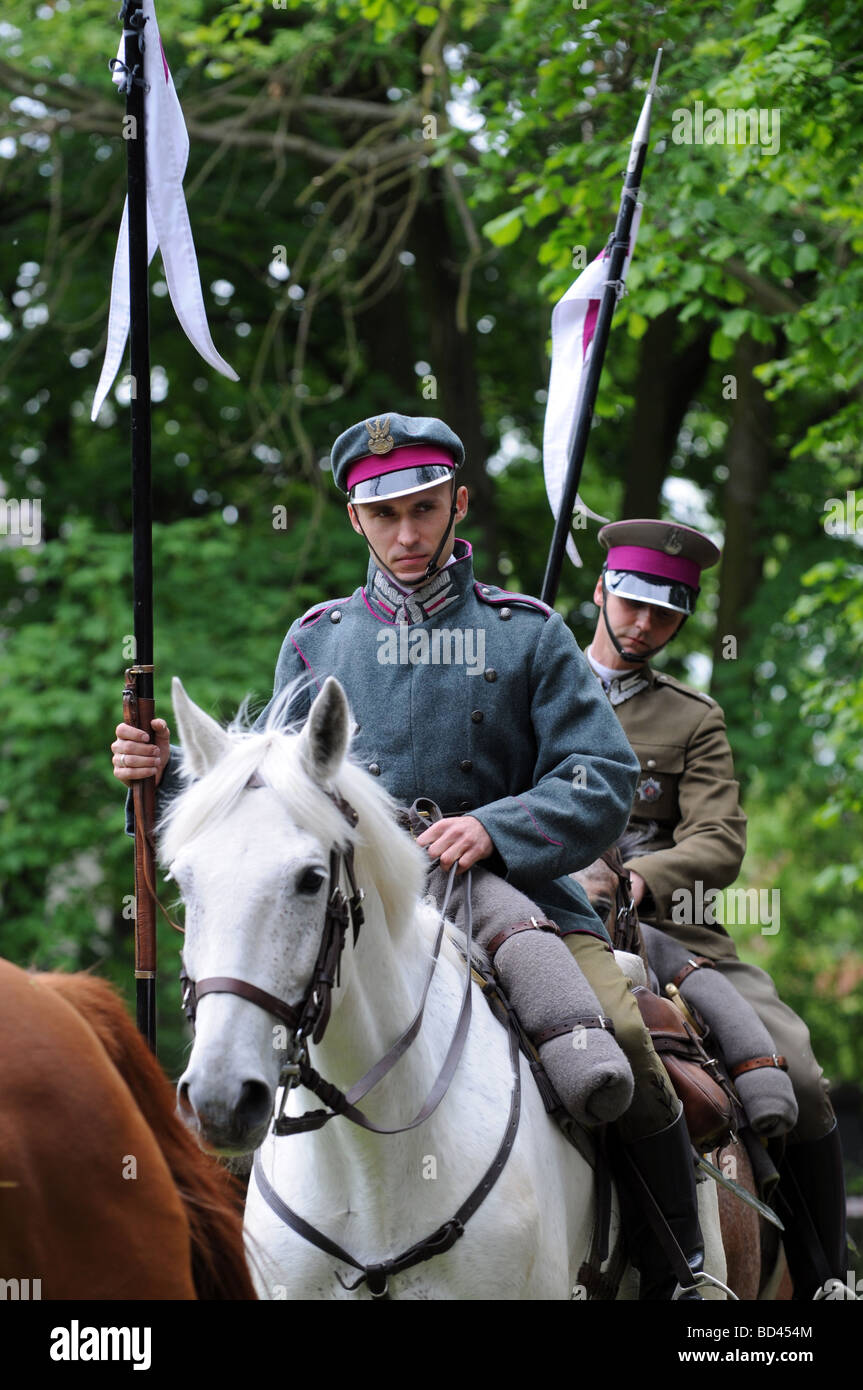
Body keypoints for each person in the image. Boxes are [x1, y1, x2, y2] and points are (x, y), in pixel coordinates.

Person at [111, 414, 706, 1298]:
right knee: (257, 1029)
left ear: (456, 504)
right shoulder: (316, 639)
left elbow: (602, 773)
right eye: (383, 515)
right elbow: (267, 806)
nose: (406, 534)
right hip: (355, 898)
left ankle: (682, 1273)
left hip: (507, 890)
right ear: (355, 518)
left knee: (618, 1043)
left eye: (424, 510)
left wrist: (498, 828)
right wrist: (157, 785)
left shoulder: (528, 633)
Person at [584, 516, 854, 1301]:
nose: (643, 625)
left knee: (798, 1075)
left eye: (665, 613)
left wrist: (638, 877)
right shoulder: (532, 686)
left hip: (669, 929)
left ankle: (825, 1278)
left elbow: (718, 838)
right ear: (599, 592)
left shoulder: (690, 717)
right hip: (535, 913)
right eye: (631, 604)